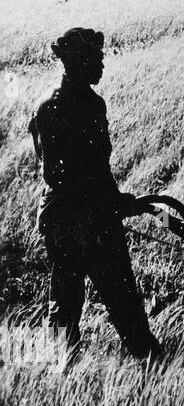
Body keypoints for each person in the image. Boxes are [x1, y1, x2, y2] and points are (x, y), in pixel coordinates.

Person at [28, 28, 161, 359]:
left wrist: (115, 201)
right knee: (122, 300)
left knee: (65, 304)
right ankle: (151, 363)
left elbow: (87, 170)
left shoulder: (53, 104)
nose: (102, 64)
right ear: (78, 62)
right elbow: (63, 173)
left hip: (64, 220)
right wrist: (112, 203)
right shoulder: (81, 106)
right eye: (96, 58)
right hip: (86, 221)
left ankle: (62, 370)